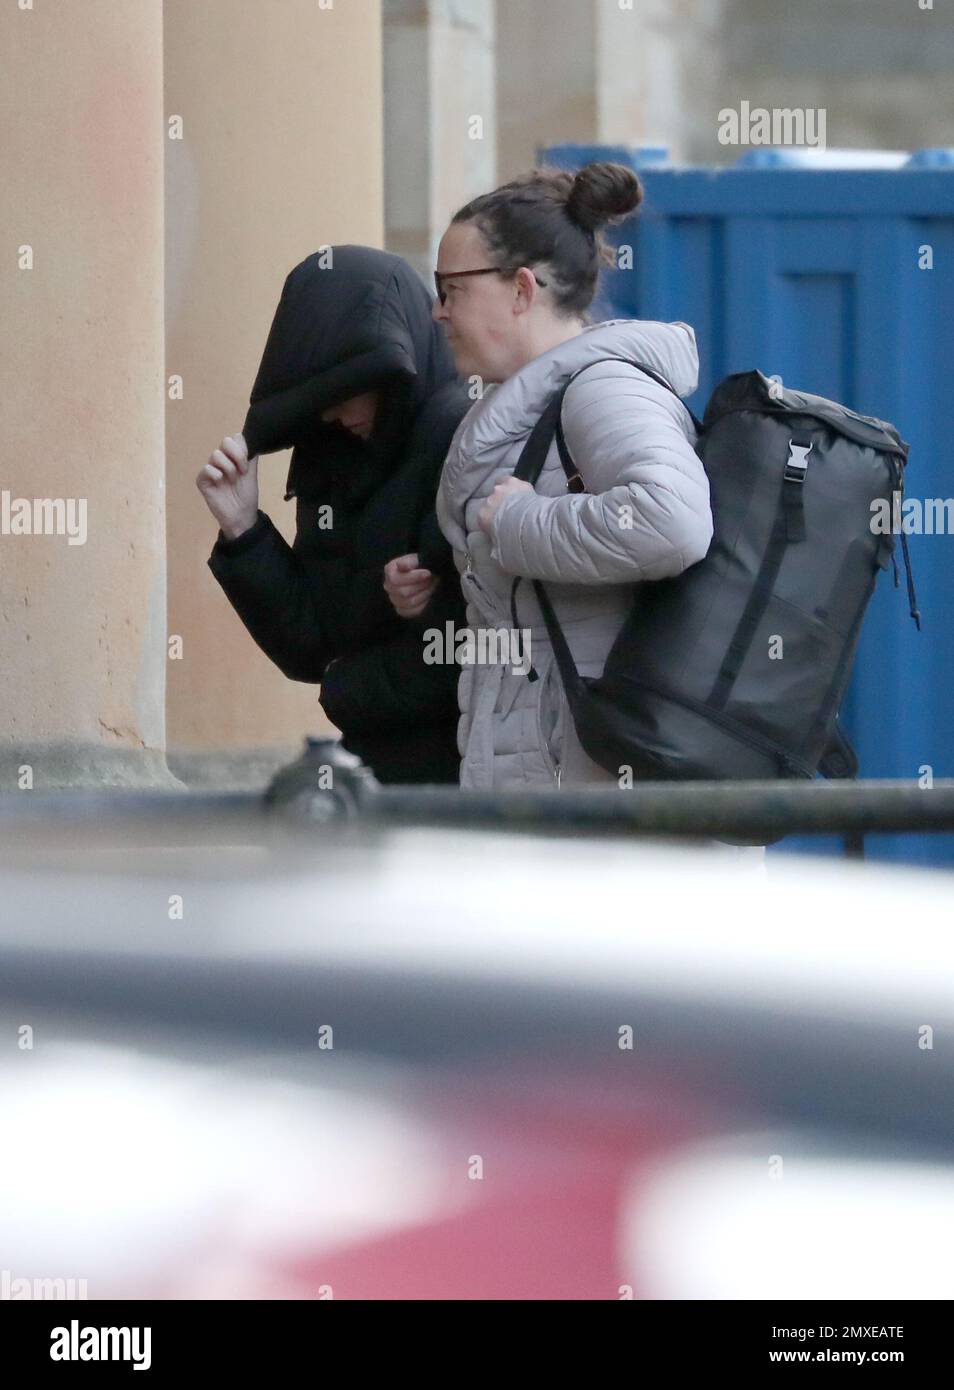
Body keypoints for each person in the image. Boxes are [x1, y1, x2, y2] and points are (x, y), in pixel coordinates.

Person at [389, 161, 714, 792]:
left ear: (520, 290)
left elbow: (672, 523)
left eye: (451, 287)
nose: (437, 312)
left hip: (611, 799)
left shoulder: (603, 389)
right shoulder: (529, 403)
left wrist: (517, 523)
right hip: (558, 773)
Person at [197, 245, 472, 783]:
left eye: (345, 390)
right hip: (371, 776)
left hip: (460, 779)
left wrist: (345, 680)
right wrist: (244, 529)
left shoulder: (462, 437)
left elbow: (467, 653)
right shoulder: (334, 456)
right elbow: (311, 641)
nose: (331, 413)